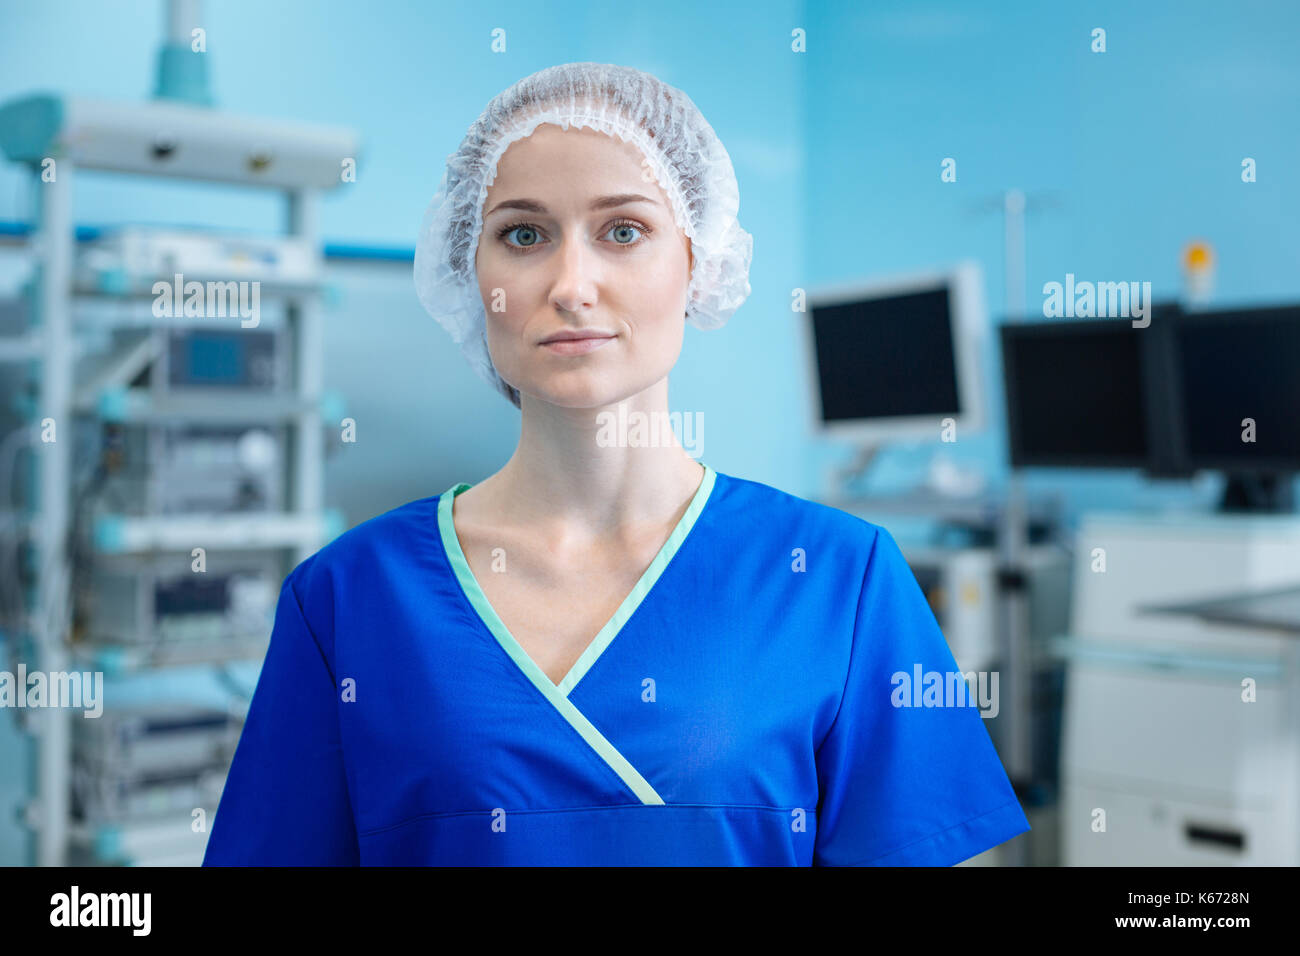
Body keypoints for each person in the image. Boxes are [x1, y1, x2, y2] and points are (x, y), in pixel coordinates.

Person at [202, 62, 1030, 866]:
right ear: (469, 268)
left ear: (697, 261)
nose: (571, 283)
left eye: (623, 231)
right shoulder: (350, 598)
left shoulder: (839, 579)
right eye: (523, 235)